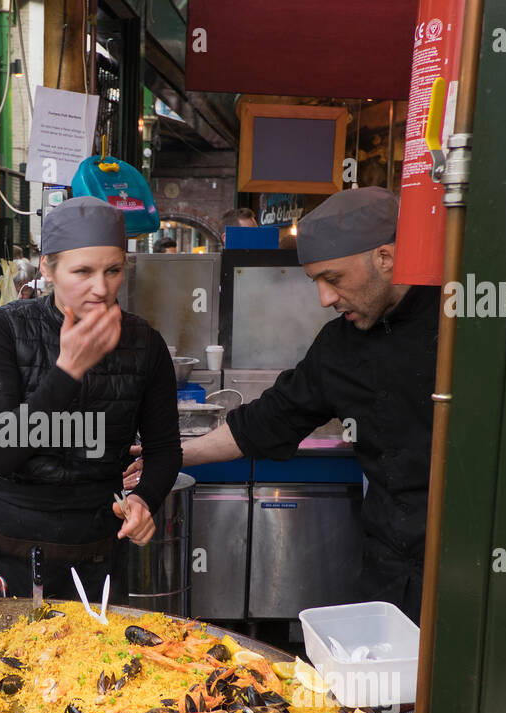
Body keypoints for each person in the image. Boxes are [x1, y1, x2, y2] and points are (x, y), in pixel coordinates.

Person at [131, 187, 437, 623]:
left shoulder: (457, 318)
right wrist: (169, 455)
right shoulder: (339, 347)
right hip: (389, 569)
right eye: (316, 283)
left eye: (334, 279)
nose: (325, 300)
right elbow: (267, 419)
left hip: (463, 566)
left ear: (385, 257)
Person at [0, 196, 182, 600]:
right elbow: (1, 449)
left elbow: (165, 448)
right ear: (48, 268)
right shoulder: (3, 331)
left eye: (113, 270)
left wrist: (144, 500)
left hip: (95, 548)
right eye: (83, 271)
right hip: (6, 547)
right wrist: (68, 372)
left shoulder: (144, 343)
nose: (101, 288)